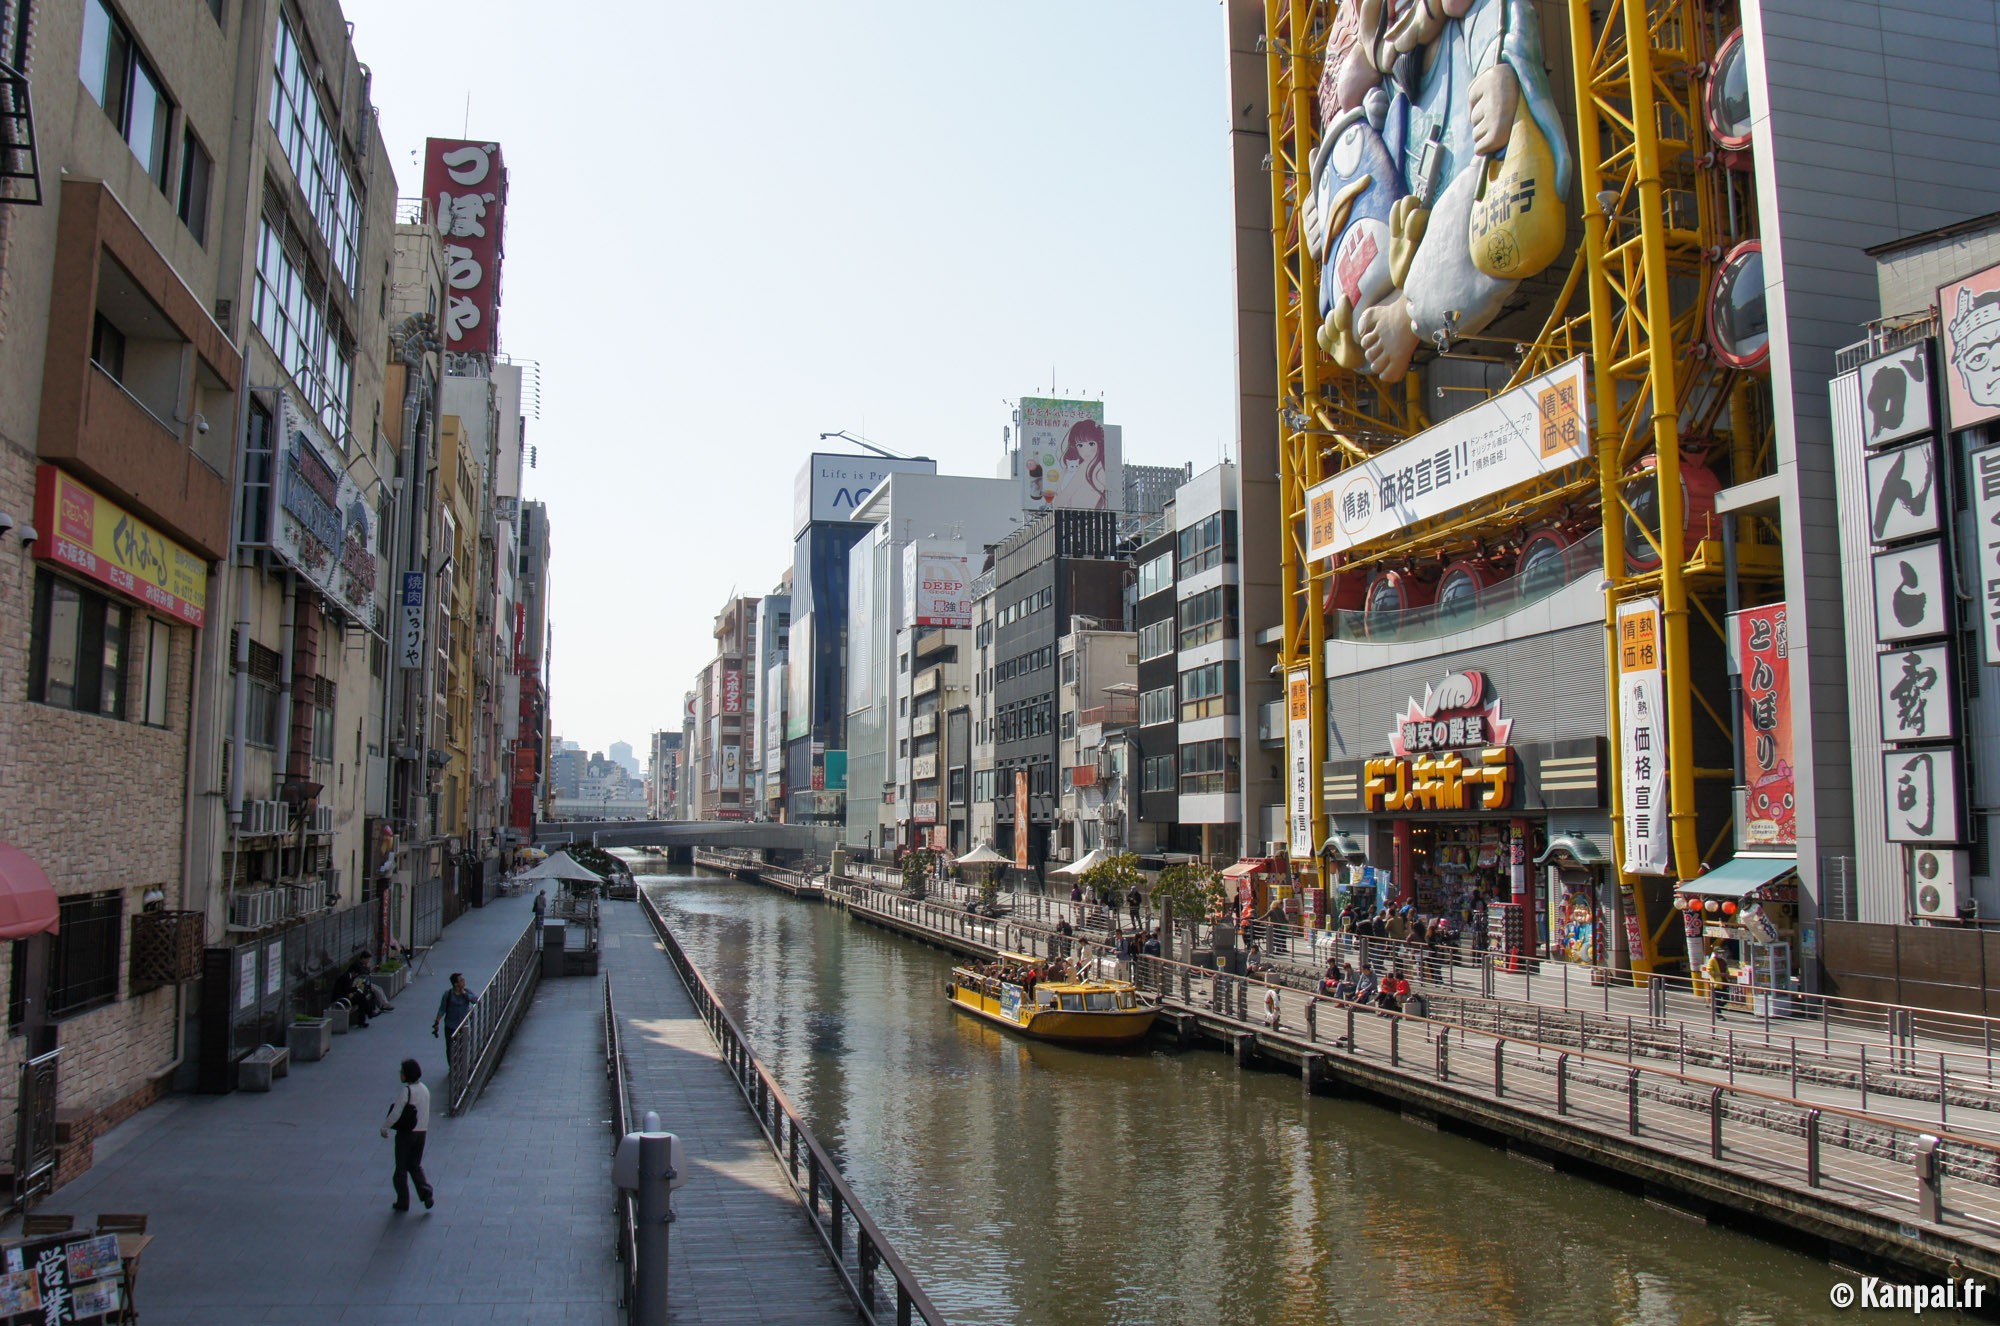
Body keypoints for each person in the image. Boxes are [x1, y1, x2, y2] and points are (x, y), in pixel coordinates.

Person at [381, 1058, 435, 1212]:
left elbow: (396, 1112)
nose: (400, 1074)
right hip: (421, 1133)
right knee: (415, 1166)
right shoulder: (424, 1089)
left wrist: (385, 1127)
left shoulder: (407, 1091)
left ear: (406, 1075)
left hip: (406, 1134)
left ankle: (403, 1201)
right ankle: (426, 1194)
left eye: (401, 1072)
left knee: (401, 1169)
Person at [433, 972, 475, 1040]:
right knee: (450, 1048)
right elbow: (442, 1009)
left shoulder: (467, 992)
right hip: (450, 1026)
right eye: (461, 980)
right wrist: (437, 1022)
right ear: (456, 984)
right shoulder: (448, 994)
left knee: (463, 1047)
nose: (464, 981)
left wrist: (465, 994)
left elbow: (475, 1000)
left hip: (463, 1026)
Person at [1703, 947, 1731, 1020]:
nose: (1721, 954)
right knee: (1717, 999)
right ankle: (1718, 1014)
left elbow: (1727, 969)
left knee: (1726, 998)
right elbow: (1709, 971)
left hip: (1724, 982)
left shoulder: (1723, 960)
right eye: (1719, 953)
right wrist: (1720, 974)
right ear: (1715, 953)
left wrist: (1727, 974)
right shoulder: (1712, 961)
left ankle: (1717, 1008)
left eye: (1721, 953)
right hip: (1716, 984)